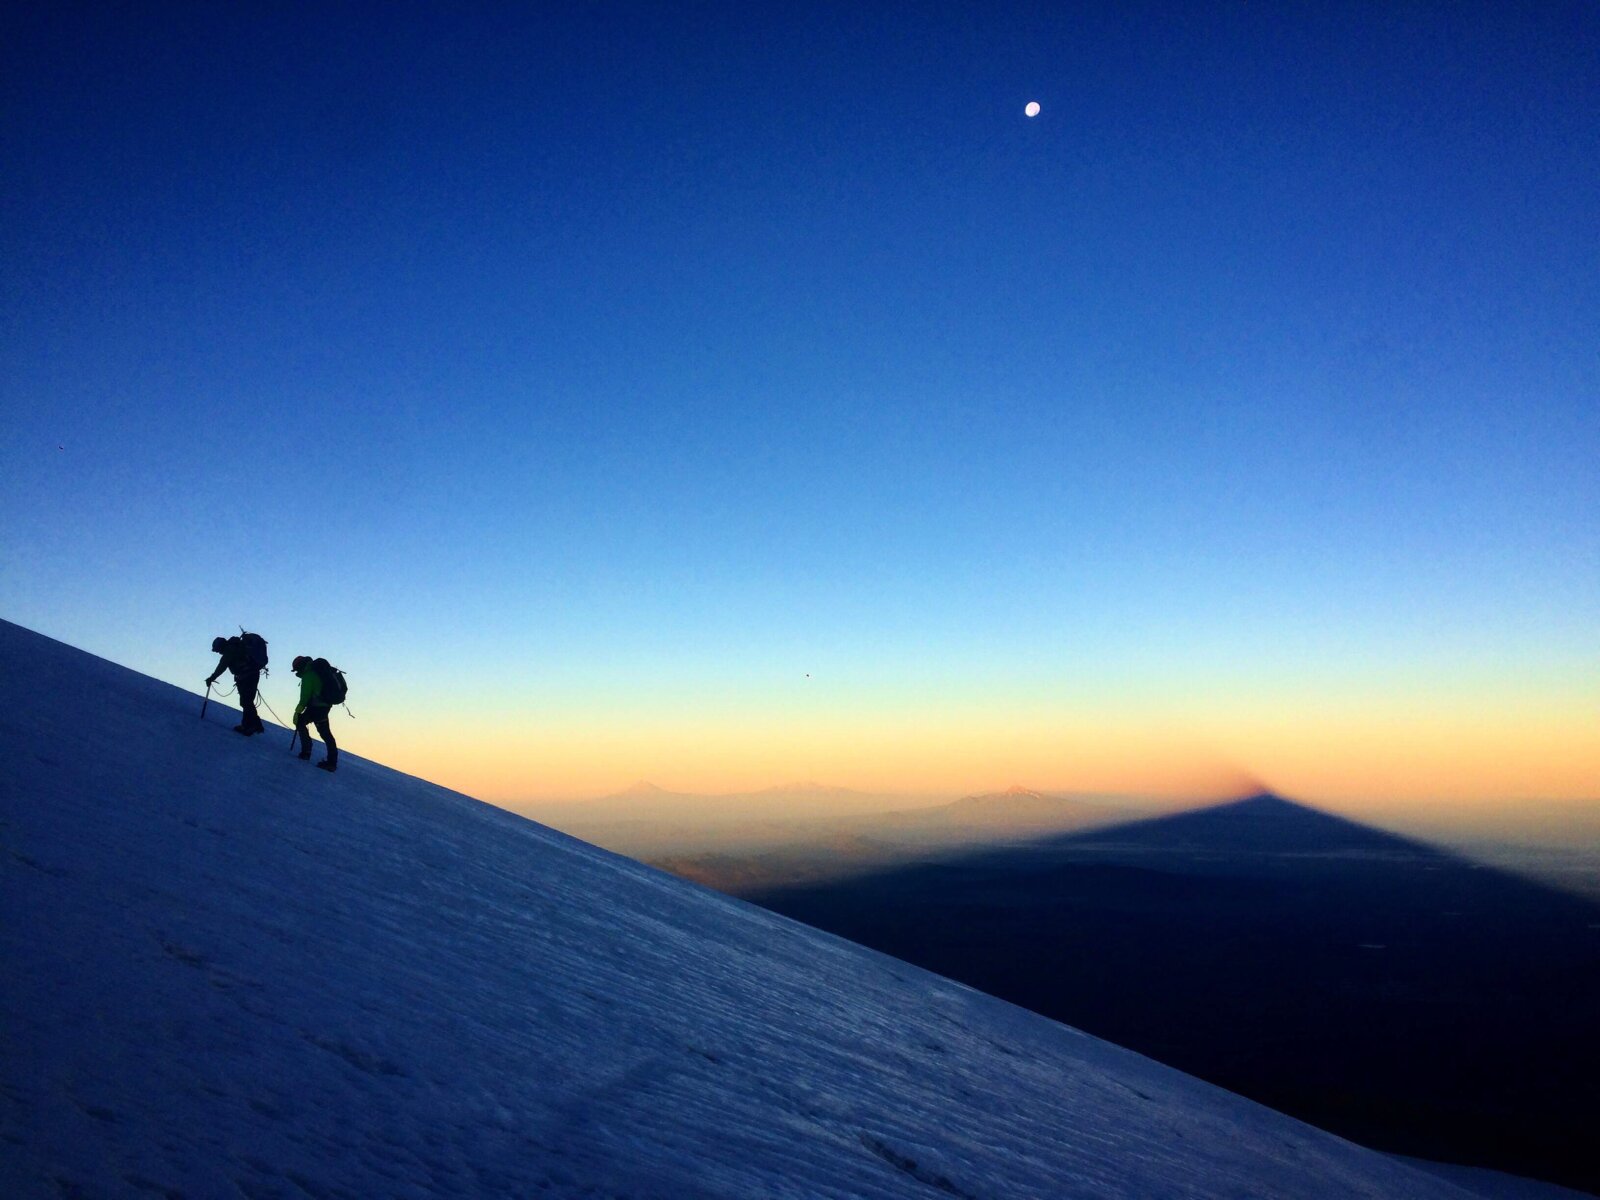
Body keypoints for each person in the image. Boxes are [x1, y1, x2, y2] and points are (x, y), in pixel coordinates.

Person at [206, 635, 264, 735]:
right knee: (246, 701)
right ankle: (247, 725)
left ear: (221, 646)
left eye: (218, 650)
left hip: (247, 676)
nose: (218, 653)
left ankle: (254, 725)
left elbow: (222, 666)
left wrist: (212, 678)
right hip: (250, 675)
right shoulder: (235, 647)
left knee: (246, 701)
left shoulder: (229, 651)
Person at [291, 655, 338, 772]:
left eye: (296, 669)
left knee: (302, 722)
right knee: (326, 734)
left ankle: (307, 752)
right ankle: (331, 761)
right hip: (324, 706)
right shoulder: (315, 672)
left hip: (316, 707)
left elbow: (305, 697)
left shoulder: (308, 675)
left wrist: (297, 712)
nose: (296, 672)